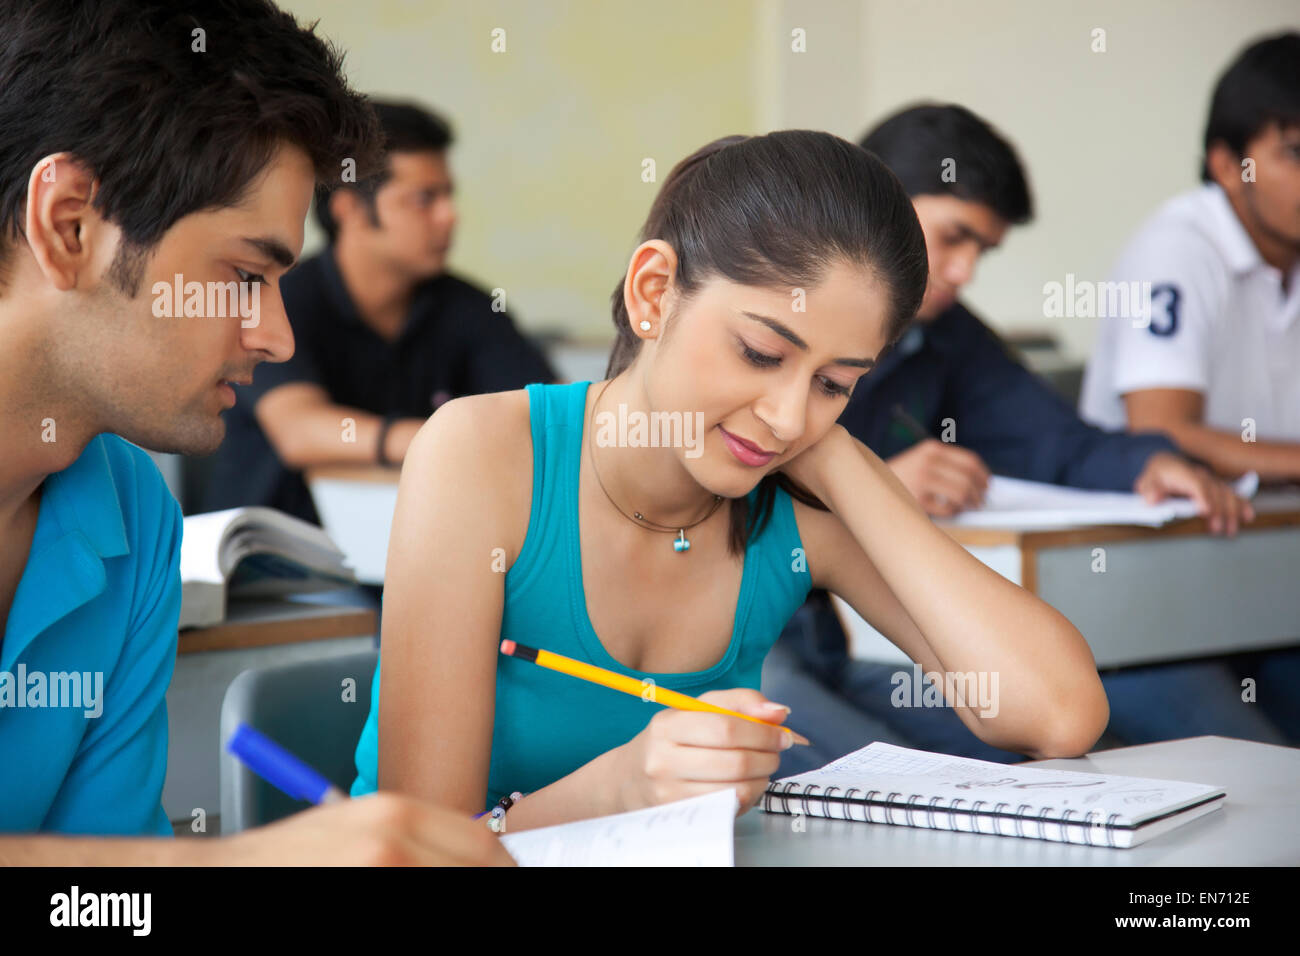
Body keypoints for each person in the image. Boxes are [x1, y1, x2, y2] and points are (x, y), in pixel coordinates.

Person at [350, 130, 1110, 834]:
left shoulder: (798, 485)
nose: (785, 417)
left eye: (836, 383)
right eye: (759, 352)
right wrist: (619, 793)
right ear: (654, 293)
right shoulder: (482, 455)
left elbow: (1058, 714)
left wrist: (843, 460)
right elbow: (422, 846)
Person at [0, 0, 511, 865]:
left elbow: (101, 906)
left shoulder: (132, 516)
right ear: (70, 225)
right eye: (244, 275)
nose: (276, 337)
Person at [761, 104, 1281, 778]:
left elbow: (1052, 438)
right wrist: (880, 483)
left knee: (1048, 760)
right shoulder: (769, 313)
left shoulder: (948, 335)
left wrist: (1148, 462)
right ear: (878, 203)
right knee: (883, 779)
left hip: (844, 645)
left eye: (983, 249)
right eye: (954, 237)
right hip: (756, 654)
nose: (963, 270)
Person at [1079, 33, 1300, 745]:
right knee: (1267, 778)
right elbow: (1160, 427)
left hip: (1261, 582)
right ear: (1225, 164)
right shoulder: (1177, 249)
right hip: (1144, 603)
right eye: (1294, 154)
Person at [203, 99, 558, 526]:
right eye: (424, 199)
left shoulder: (470, 310)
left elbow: (544, 420)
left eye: (448, 196)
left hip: (401, 561)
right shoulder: (284, 300)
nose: (449, 216)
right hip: (268, 570)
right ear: (350, 210)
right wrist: (440, 440)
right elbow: (300, 431)